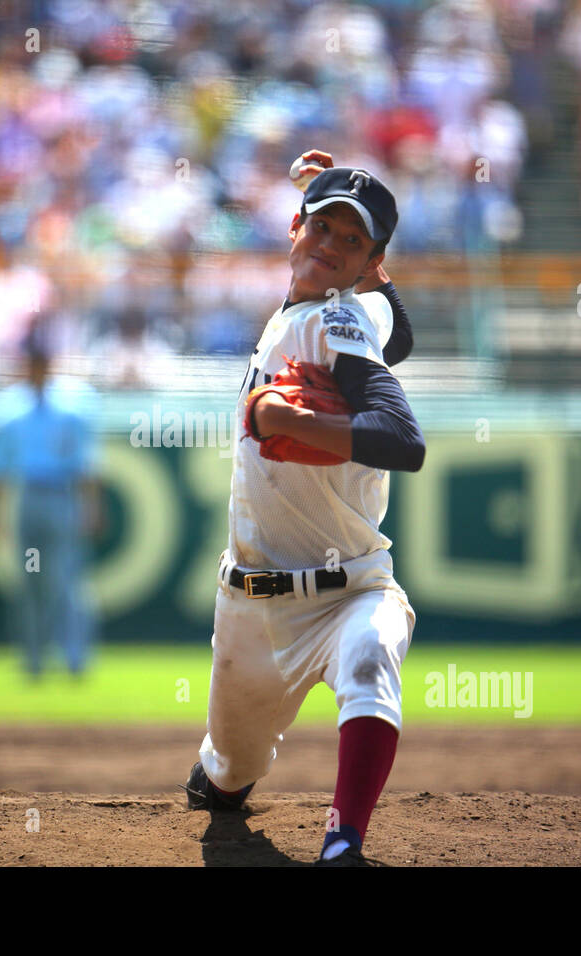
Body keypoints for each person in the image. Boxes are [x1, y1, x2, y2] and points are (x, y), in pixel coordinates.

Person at [181, 151, 424, 866]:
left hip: (353, 584)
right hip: (254, 606)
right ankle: (223, 778)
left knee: (373, 654)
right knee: (227, 775)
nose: (329, 245)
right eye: (321, 227)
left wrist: (295, 425)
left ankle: (343, 841)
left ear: (369, 262)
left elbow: (401, 440)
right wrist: (373, 273)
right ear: (294, 228)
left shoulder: (334, 322)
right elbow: (400, 336)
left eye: (352, 241)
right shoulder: (327, 312)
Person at [0, 322, 102, 680]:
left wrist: (91, 507)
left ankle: (75, 658)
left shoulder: (73, 403)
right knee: (30, 581)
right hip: (26, 497)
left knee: (65, 579)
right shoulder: (9, 407)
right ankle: (33, 660)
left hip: (62, 498)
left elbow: (87, 465)